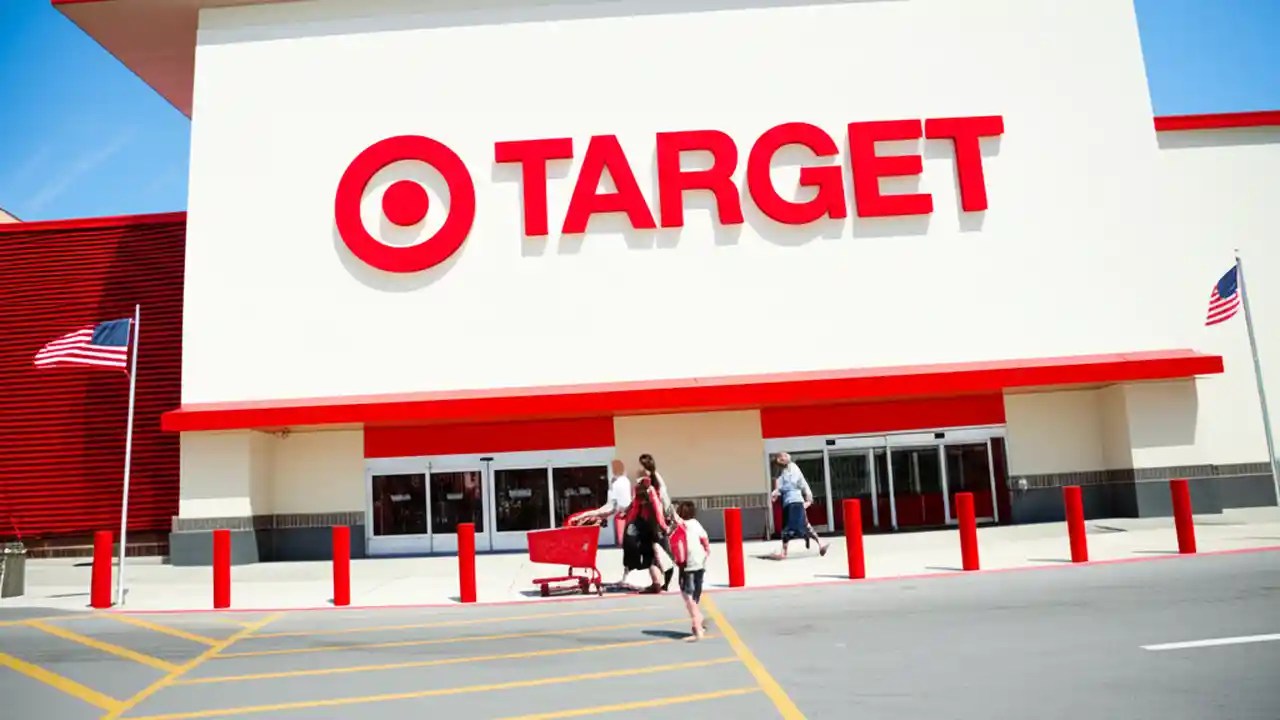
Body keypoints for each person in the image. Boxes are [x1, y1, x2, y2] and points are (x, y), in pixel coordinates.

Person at [771, 452, 828, 558]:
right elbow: (797, 483)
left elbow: (795, 483)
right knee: (805, 525)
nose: (783, 459)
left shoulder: (792, 468)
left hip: (792, 501)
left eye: (784, 457)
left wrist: (809, 497)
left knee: (787, 528)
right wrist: (776, 492)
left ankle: (784, 552)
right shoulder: (782, 472)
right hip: (793, 501)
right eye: (781, 457)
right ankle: (820, 543)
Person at [620, 471, 669, 594]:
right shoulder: (650, 492)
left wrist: (629, 524)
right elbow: (657, 510)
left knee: (652, 557)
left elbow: (641, 510)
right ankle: (659, 583)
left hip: (649, 528)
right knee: (654, 556)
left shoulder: (644, 493)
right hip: (652, 528)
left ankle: (657, 583)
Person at [669, 500, 711, 641]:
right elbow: (705, 540)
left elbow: (670, 514)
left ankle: (697, 626)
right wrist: (705, 554)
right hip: (700, 562)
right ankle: (698, 620)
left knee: (687, 595)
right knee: (695, 594)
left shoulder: (680, 524)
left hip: (687, 564)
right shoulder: (696, 524)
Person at [639, 453, 676, 591]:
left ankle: (658, 584)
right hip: (659, 522)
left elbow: (658, 506)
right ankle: (663, 583)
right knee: (663, 552)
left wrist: (664, 523)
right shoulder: (655, 480)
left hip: (656, 523)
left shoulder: (651, 485)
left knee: (657, 553)